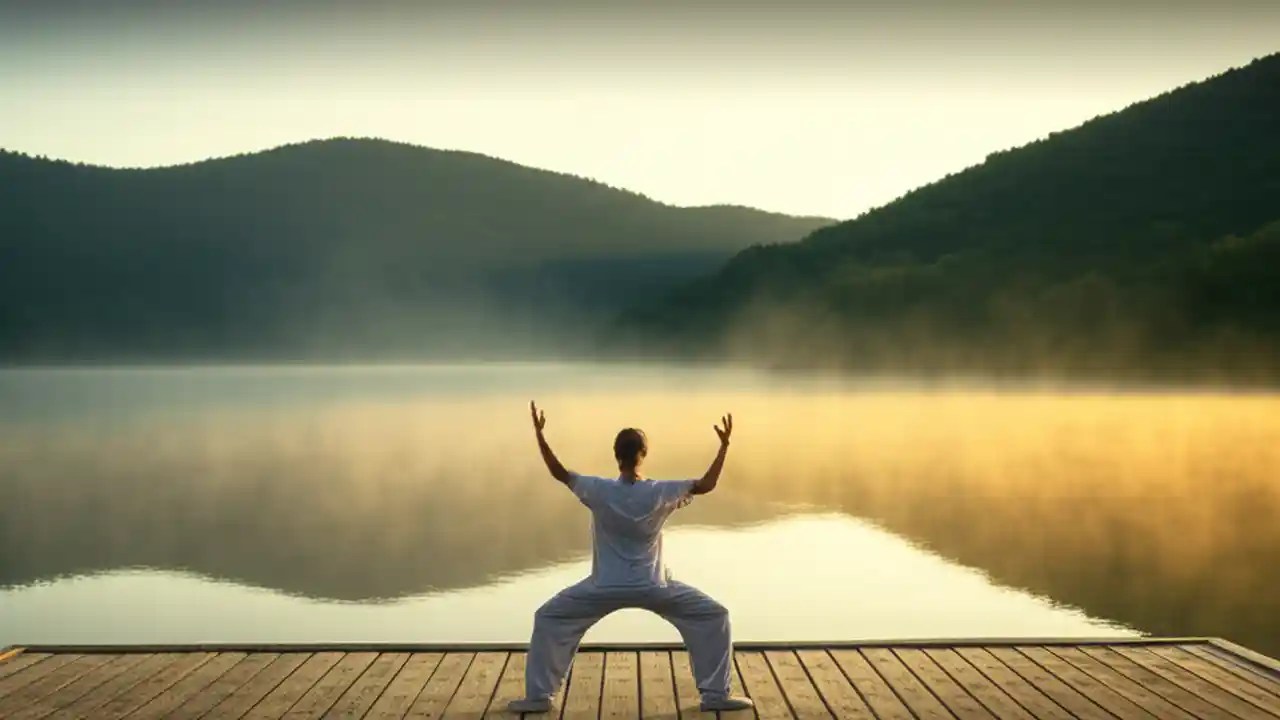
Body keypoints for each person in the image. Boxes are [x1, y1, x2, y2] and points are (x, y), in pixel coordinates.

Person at [507, 402, 755, 714]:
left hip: (603, 587)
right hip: (653, 586)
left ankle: (539, 697)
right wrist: (724, 447)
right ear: (644, 454)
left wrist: (540, 436)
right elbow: (705, 485)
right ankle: (715, 695)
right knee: (714, 616)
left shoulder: (599, 489)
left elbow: (560, 473)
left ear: (616, 455)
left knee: (549, 618)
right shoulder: (660, 492)